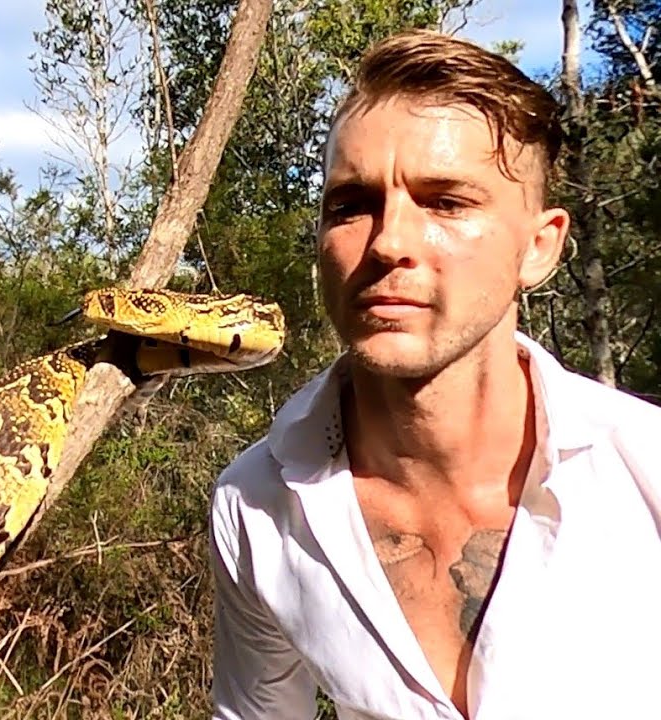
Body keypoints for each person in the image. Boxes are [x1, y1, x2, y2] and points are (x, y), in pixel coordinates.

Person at [208, 29, 661, 720]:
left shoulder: (644, 468)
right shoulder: (257, 505)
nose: (389, 242)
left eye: (446, 202)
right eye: (351, 204)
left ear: (539, 248)